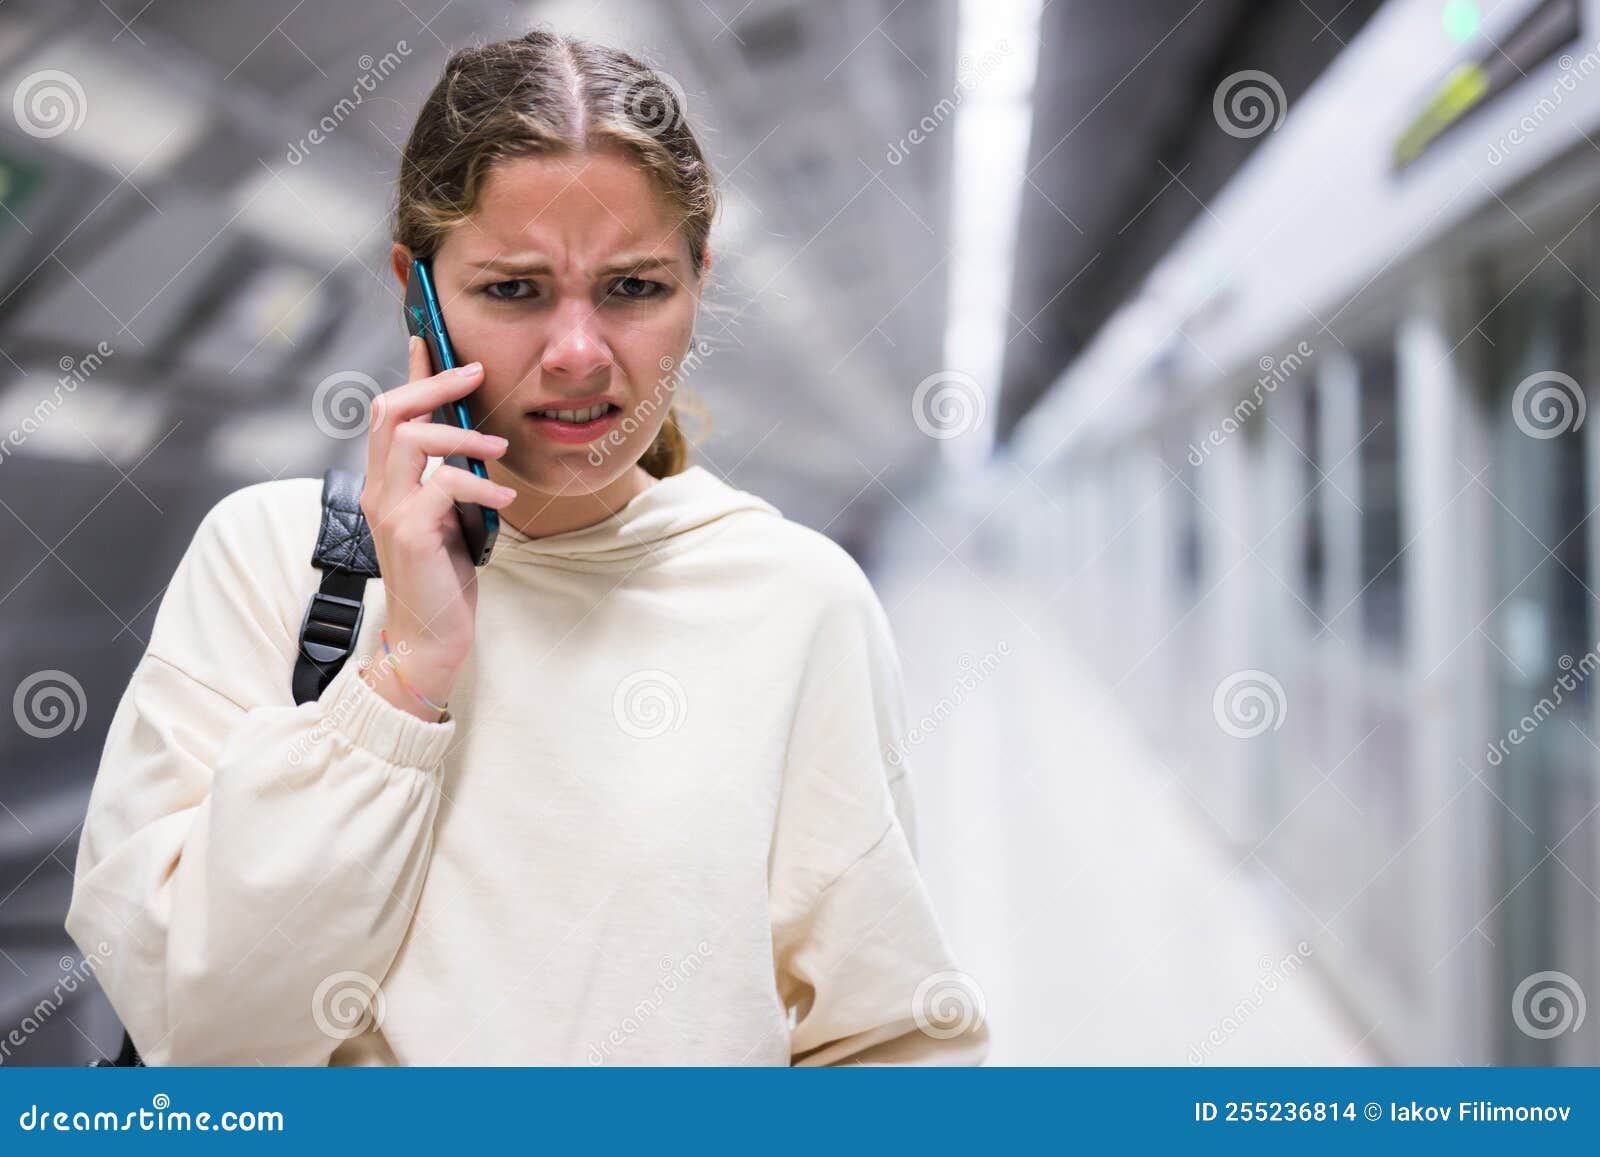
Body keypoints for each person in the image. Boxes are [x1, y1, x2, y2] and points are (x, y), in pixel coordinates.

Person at [64, 28, 989, 1066]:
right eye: (514, 290)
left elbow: (892, 1038)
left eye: (634, 287)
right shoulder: (272, 560)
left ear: (699, 281)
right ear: (417, 291)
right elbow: (199, 1032)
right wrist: (404, 675)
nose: (579, 354)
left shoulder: (797, 602)